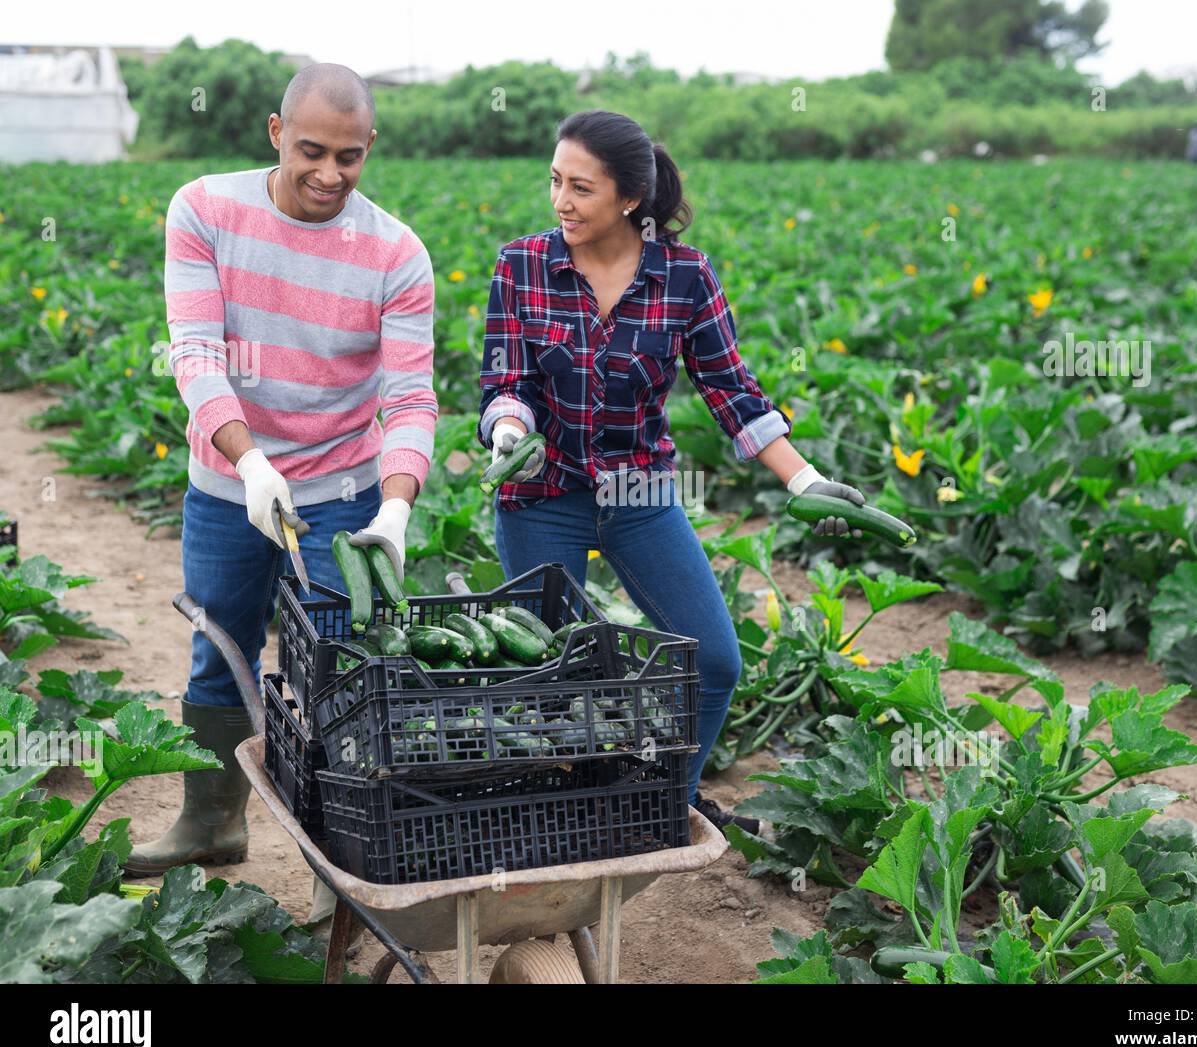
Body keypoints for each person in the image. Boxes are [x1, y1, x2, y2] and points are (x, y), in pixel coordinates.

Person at [479, 109, 867, 836]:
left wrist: (802, 477)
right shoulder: (521, 263)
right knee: (542, 682)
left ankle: (655, 809)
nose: (560, 201)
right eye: (555, 181)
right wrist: (508, 429)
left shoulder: (683, 275)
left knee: (713, 660)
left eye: (581, 188)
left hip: (639, 494)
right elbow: (506, 379)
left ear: (630, 198)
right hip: (540, 493)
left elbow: (731, 389)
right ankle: (541, 823)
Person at [128, 65, 437, 930]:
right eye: (310, 151)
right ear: (274, 133)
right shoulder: (204, 210)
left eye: (349, 156)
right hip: (231, 480)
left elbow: (411, 400)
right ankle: (211, 821)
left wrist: (397, 505)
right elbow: (195, 353)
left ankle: (337, 862)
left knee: (338, 666)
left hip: (345, 490)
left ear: (369, 147)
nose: (329, 173)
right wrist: (252, 462)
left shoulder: (396, 253)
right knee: (218, 644)